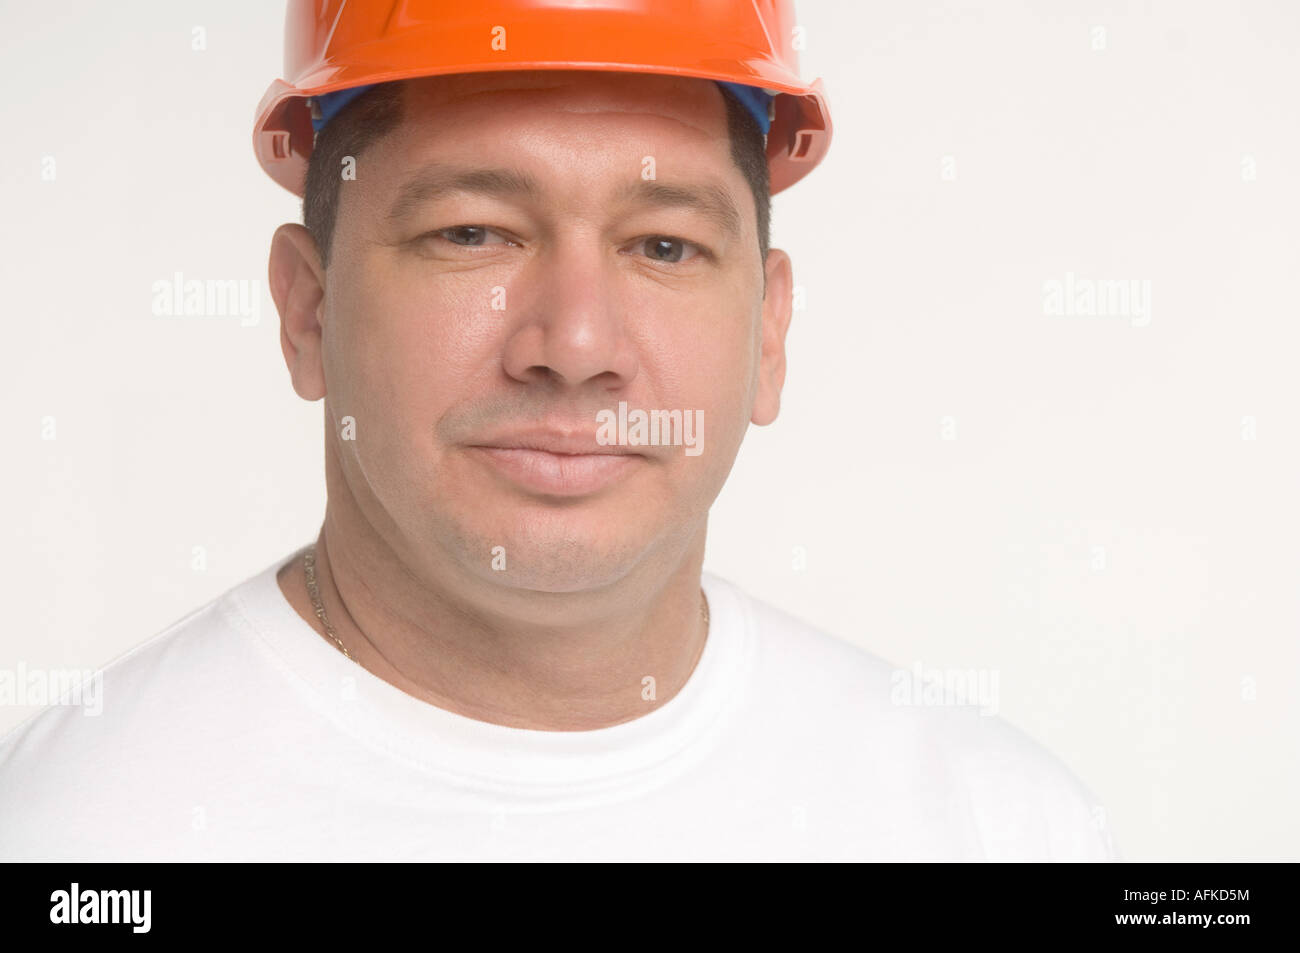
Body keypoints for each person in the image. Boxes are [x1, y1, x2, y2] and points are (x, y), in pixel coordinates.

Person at [0, 0, 1117, 861]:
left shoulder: (992, 827)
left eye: (664, 246)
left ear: (768, 332)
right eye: (473, 231)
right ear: (309, 311)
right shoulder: (86, 832)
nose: (575, 342)